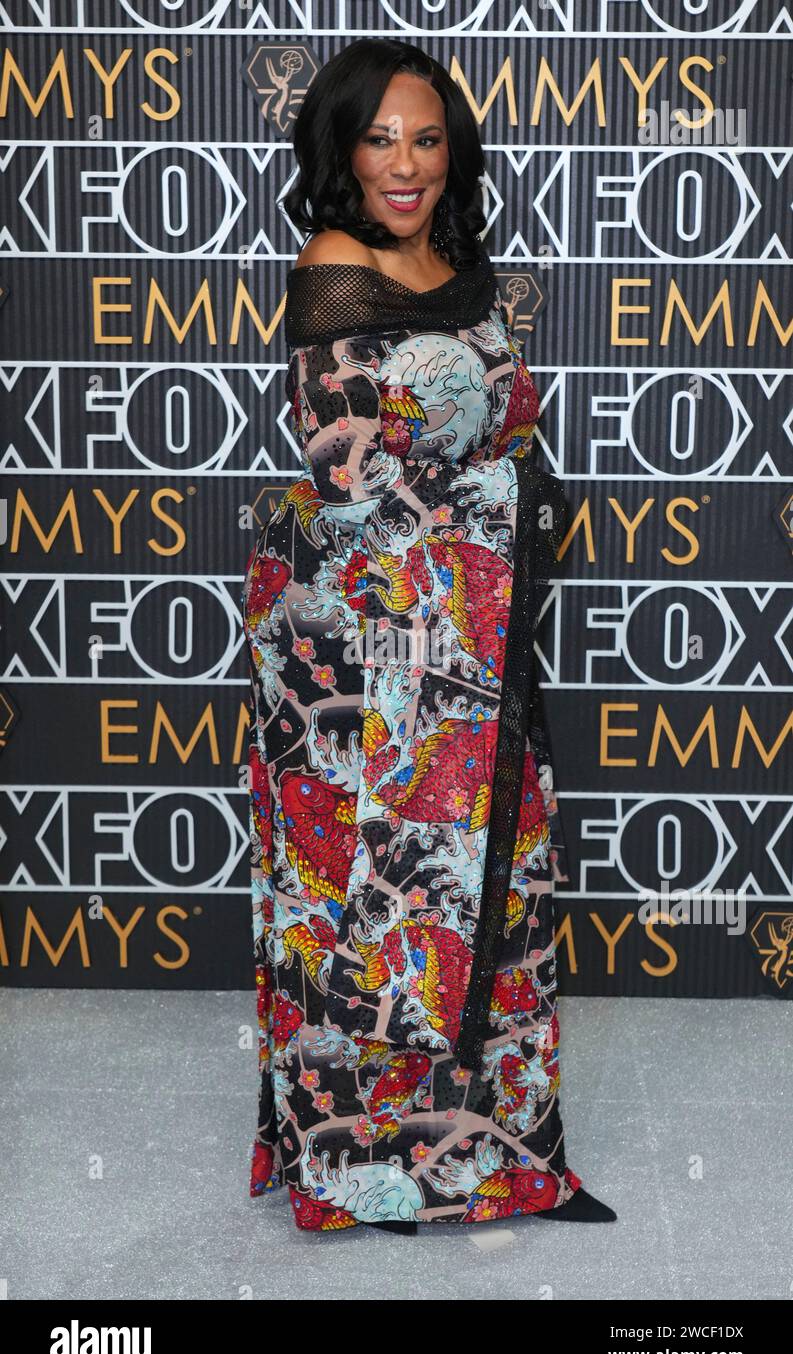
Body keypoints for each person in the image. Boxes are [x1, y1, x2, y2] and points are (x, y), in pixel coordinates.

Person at [241, 37, 616, 1233]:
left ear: (452, 152)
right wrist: (507, 491)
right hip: (362, 659)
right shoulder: (333, 264)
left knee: (493, 889)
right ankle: (360, 1171)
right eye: (379, 137)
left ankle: (497, 1159)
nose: (404, 163)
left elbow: (483, 430)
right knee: (367, 907)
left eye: (426, 138)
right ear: (341, 151)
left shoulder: (456, 258)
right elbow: (342, 470)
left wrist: (520, 492)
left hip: (473, 634)